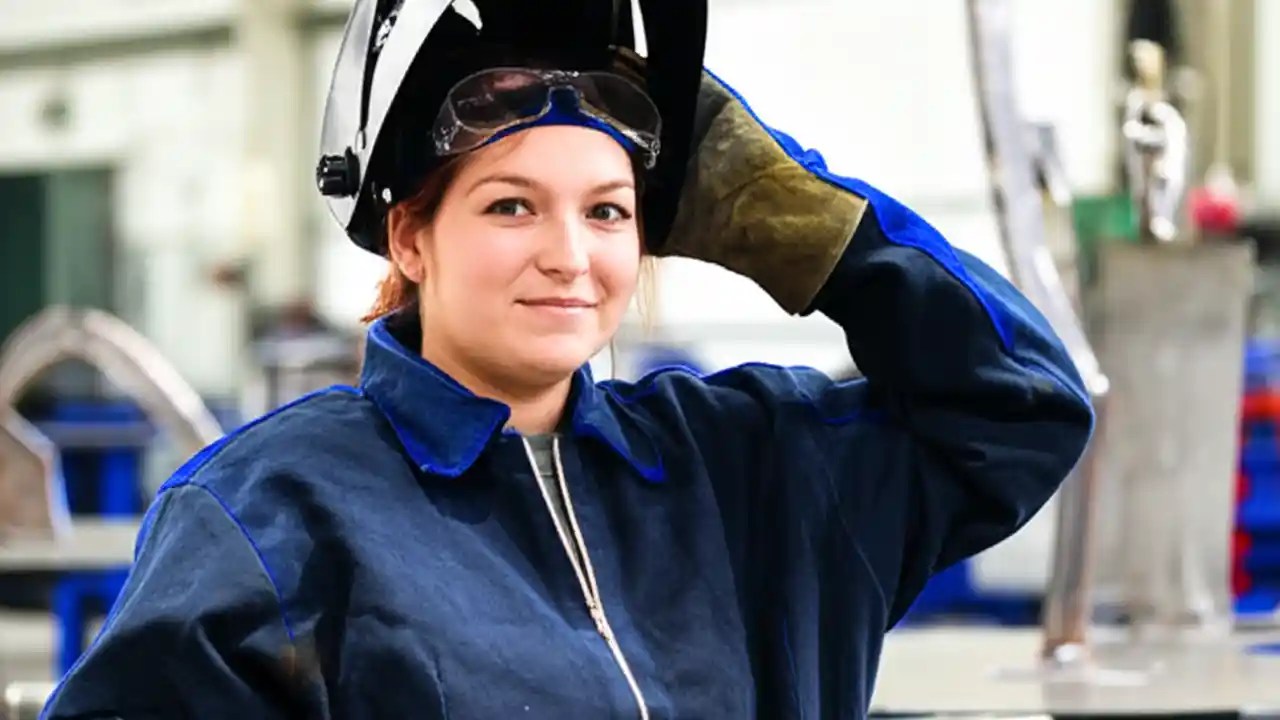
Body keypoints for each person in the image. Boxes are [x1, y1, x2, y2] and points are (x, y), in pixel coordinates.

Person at [42, 3, 1094, 719]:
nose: (569, 257)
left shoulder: (752, 467)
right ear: (410, 239)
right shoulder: (270, 515)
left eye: (607, 212)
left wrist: (813, 230)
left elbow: (1024, 408)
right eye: (511, 207)